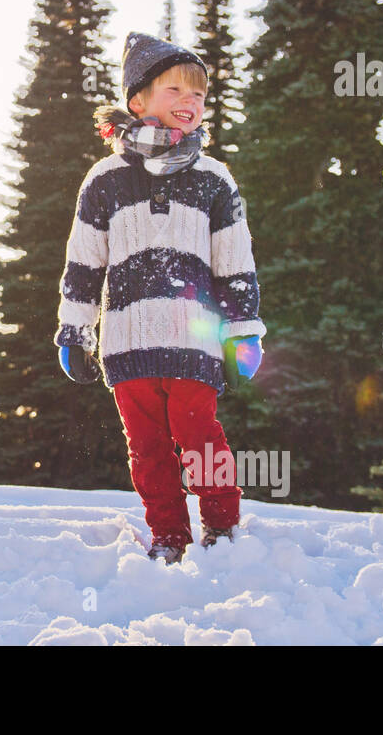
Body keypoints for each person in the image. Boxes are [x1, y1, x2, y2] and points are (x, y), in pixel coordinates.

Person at [54, 32, 265, 565]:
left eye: (198, 94)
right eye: (175, 90)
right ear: (138, 101)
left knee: (200, 436)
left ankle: (222, 526)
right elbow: (84, 262)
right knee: (147, 449)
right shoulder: (105, 180)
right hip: (127, 343)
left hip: (194, 338)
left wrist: (242, 330)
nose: (190, 102)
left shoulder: (214, 180)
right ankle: (169, 535)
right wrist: (75, 329)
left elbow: (235, 261)